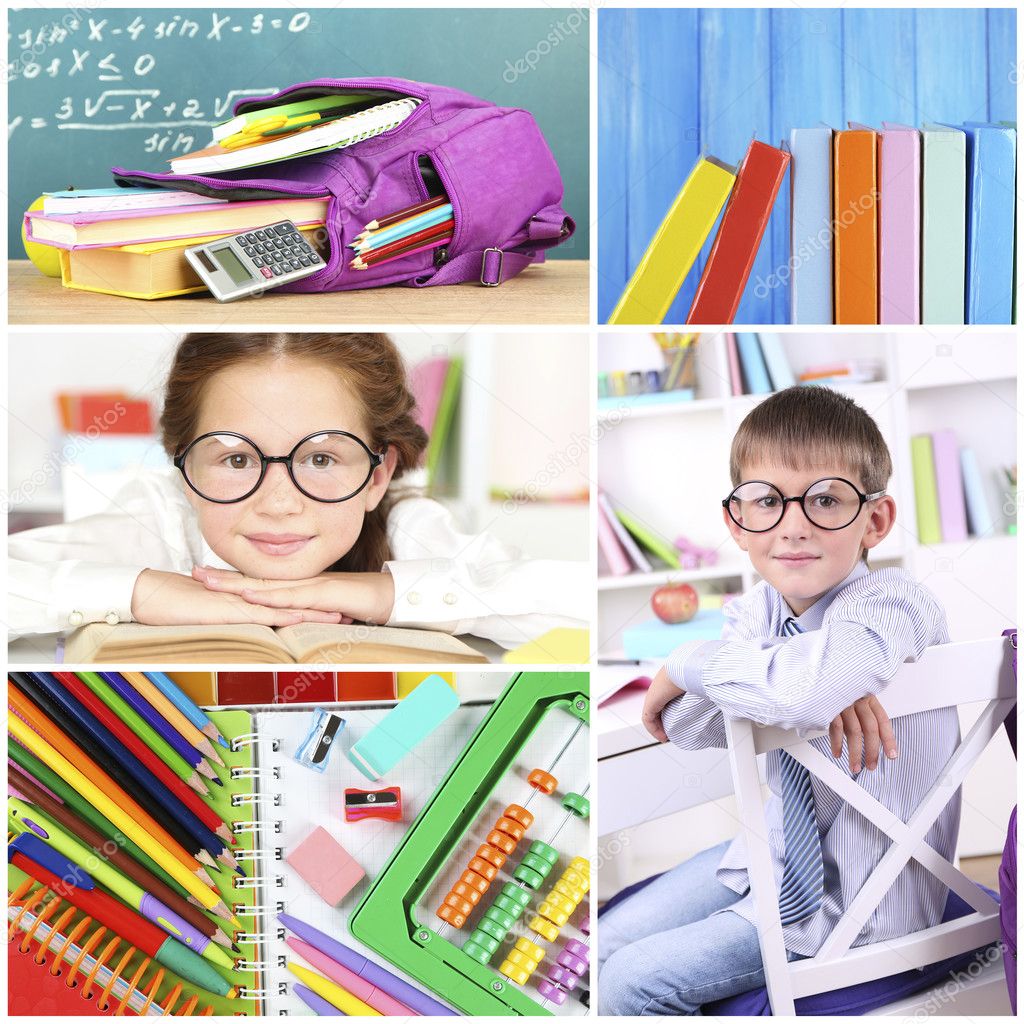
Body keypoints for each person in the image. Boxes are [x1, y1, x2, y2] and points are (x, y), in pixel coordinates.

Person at [599, 385, 959, 1015]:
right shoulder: (759, 612)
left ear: (874, 520)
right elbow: (690, 724)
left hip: (863, 904)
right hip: (766, 857)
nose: (793, 525)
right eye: (767, 501)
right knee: (602, 943)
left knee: (628, 979)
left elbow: (803, 693)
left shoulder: (893, 603)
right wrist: (793, 680)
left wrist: (693, 662)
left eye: (825, 500)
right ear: (738, 524)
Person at [9, 332, 587, 649]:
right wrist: (142, 593)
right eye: (236, 458)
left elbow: (584, 610)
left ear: (377, 476)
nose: (280, 502)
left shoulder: (409, 527)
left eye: (320, 457)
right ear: (184, 472)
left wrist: (386, 596)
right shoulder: (154, 517)